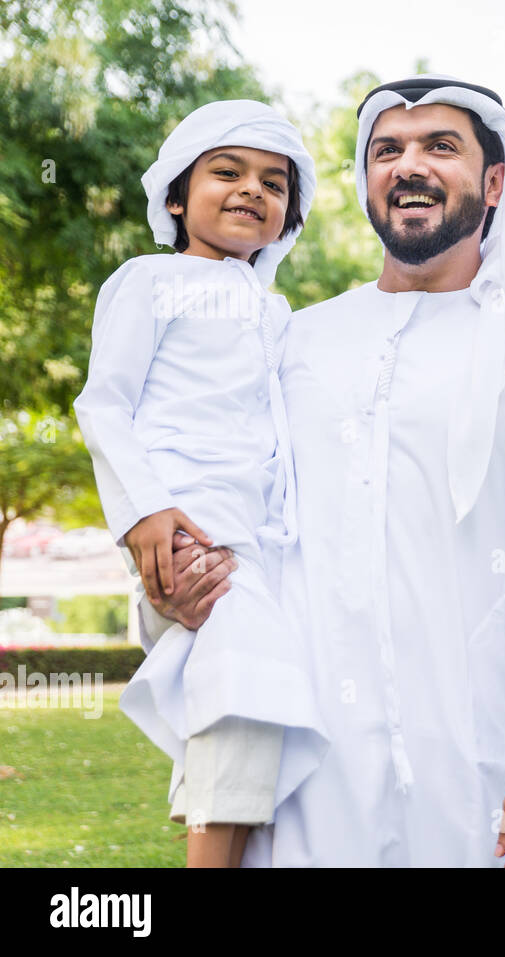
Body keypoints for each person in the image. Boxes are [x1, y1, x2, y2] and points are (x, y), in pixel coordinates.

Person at [138, 75, 505, 867]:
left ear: (495, 182)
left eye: (441, 146)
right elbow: (221, 484)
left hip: (468, 762)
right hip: (303, 759)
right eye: (386, 151)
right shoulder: (297, 337)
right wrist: (170, 585)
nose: (408, 165)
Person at [73, 100, 328, 867]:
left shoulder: (282, 313)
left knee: (241, 700)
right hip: (185, 521)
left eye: (274, 181)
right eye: (228, 171)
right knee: (244, 692)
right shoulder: (148, 279)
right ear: (176, 197)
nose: (253, 189)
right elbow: (103, 402)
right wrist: (144, 512)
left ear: (289, 215)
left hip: (267, 537)